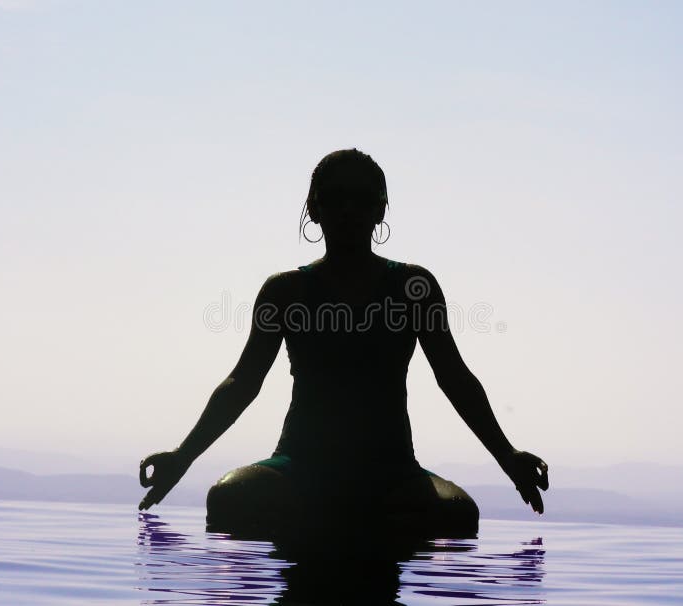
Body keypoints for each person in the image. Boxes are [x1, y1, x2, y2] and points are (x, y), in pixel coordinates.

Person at [138, 149, 549, 539]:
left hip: (394, 472)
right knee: (227, 499)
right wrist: (182, 456)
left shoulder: (413, 287)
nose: (349, 211)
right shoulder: (285, 291)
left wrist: (509, 459)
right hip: (298, 467)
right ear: (314, 209)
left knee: (460, 514)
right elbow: (242, 383)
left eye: (362, 199)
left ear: (380, 210)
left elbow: (455, 377)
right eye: (335, 199)